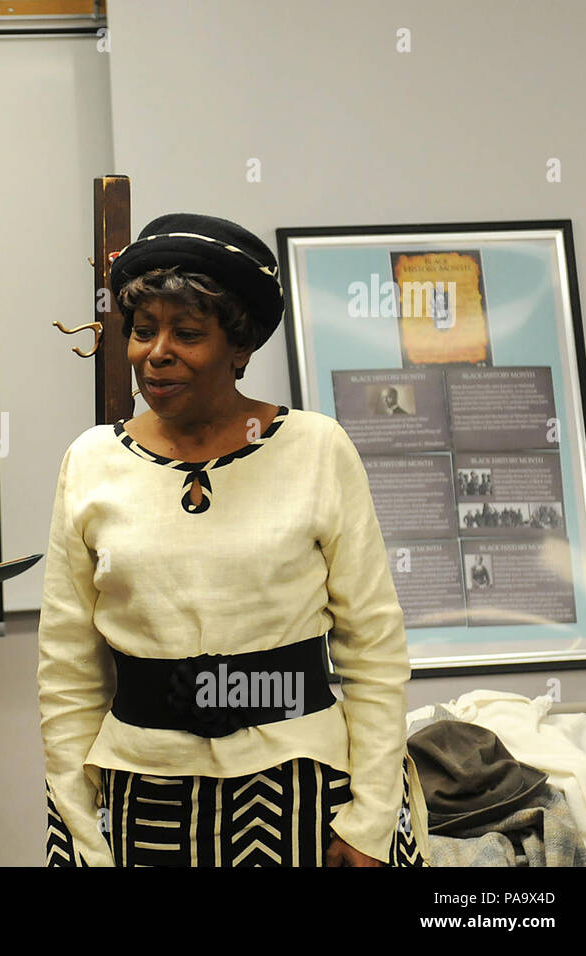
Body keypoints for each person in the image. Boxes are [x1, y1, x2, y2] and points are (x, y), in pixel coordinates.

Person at [38, 213, 428, 868]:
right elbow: (68, 670)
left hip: (304, 794)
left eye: (188, 333)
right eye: (143, 330)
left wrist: (371, 819)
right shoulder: (90, 462)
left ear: (240, 347)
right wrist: (80, 832)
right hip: (144, 797)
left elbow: (374, 650)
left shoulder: (315, 449)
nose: (156, 352)